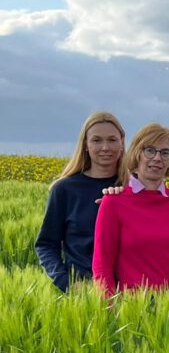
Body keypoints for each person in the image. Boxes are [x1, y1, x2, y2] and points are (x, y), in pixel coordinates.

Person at [92, 123, 169, 297]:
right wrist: (108, 306)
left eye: (165, 153)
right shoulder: (113, 202)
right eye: (150, 150)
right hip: (138, 305)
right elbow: (102, 264)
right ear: (137, 154)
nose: (157, 158)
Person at [36, 111, 128, 293]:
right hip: (82, 291)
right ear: (85, 144)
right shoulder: (64, 189)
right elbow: (46, 245)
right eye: (96, 140)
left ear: (122, 142)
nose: (105, 147)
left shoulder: (134, 188)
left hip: (131, 294)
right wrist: (67, 283)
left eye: (112, 140)